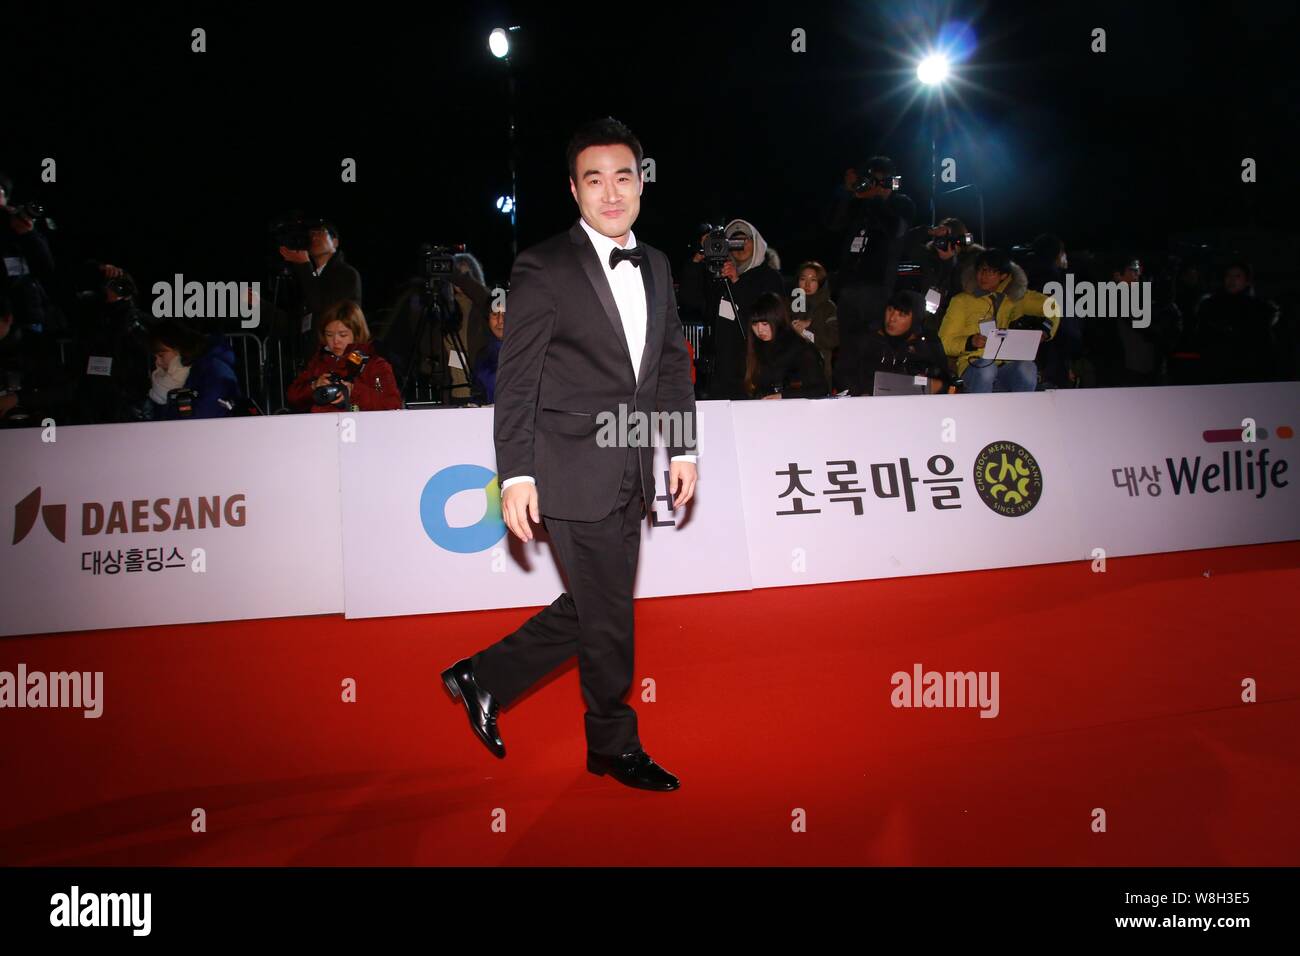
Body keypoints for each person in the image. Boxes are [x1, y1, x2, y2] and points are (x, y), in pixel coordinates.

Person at [441, 117, 698, 792]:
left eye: (624, 176)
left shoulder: (661, 265)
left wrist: (683, 449)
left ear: (641, 182)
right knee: (610, 615)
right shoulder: (543, 266)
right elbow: (517, 383)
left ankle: (483, 676)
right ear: (574, 190)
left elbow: (670, 365)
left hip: (631, 465)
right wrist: (517, 473)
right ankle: (614, 744)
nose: (612, 193)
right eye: (594, 179)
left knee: (598, 606)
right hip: (568, 468)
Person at [939, 248, 1056, 393]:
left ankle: (1021, 413)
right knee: (987, 368)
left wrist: (1046, 330)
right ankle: (981, 413)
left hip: (1004, 366)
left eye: (991, 272)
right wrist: (969, 342)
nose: (984, 276)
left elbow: (1052, 306)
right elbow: (944, 342)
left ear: (1003, 276)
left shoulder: (1015, 299)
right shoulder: (961, 301)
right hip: (973, 365)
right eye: (981, 270)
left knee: (1028, 367)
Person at [286, 300, 401, 412]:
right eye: (329, 335)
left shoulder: (374, 365)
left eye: (343, 335)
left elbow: (392, 405)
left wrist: (353, 391)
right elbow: (292, 398)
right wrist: (313, 386)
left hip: (360, 428)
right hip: (321, 428)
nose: (335, 341)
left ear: (357, 333)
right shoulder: (318, 362)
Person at [849, 290, 954, 396]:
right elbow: (845, 378)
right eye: (890, 310)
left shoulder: (928, 347)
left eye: (902, 314)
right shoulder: (869, 341)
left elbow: (946, 385)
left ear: (915, 319)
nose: (892, 318)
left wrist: (937, 386)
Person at [147, 320, 241, 420]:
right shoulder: (164, 380)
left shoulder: (214, 371)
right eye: (155, 357)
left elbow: (204, 417)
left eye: (161, 355)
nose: (158, 362)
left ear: (179, 347)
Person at [743, 291, 828, 398]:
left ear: (777, 320)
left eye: (765, 324)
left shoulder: (799, 348)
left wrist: (782, 396)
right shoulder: (756, 347)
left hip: (795, 410)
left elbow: (820, 389)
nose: (760, 330)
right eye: (755, 324)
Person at [792, 261, 839, 384]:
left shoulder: (828, 307)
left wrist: (806, 332)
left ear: (820, 282)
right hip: (791, 373)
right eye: (803, 279)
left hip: (819, 373)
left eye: (813, 280)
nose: (807, 284)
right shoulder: (790, 305)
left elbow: (832, 339)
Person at [471, 299, 505, 403]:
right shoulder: (482, 356)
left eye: (505, 314)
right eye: (495, 314)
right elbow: (477, 394)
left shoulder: (528, 352)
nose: (500, 321)